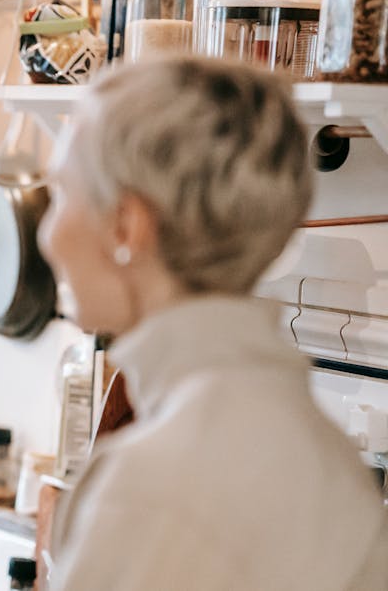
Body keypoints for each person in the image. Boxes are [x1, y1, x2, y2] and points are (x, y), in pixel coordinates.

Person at [37, 57, 388, 590]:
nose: (47, 234)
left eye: (62, 194)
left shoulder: (152, 488)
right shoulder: (326, 453)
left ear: (127, 227)